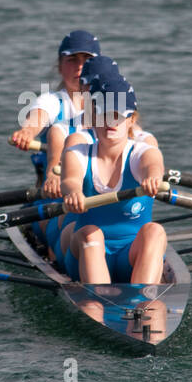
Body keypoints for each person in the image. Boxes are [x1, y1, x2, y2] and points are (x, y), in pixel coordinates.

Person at [57, 75, 167, 284]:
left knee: (155, 231)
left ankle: (143, 303)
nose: (111, 122)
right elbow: (70, 179)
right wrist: (73, 192)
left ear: (131, 120)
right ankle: (98, 304)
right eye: (105, 115)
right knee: (91, 233)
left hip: (132, 256)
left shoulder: (142, 152)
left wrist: (152, 178)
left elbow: (153, 165)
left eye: (119, 116)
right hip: (86, 254)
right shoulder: (78, 152)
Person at [9, 30, 99, 196]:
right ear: (59, 66)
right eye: (72, 60)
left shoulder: (110, 106)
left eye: (87, 60)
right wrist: (27, 132)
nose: (80, 67)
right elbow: (37, 117)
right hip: (55, 198)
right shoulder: (50, 101)